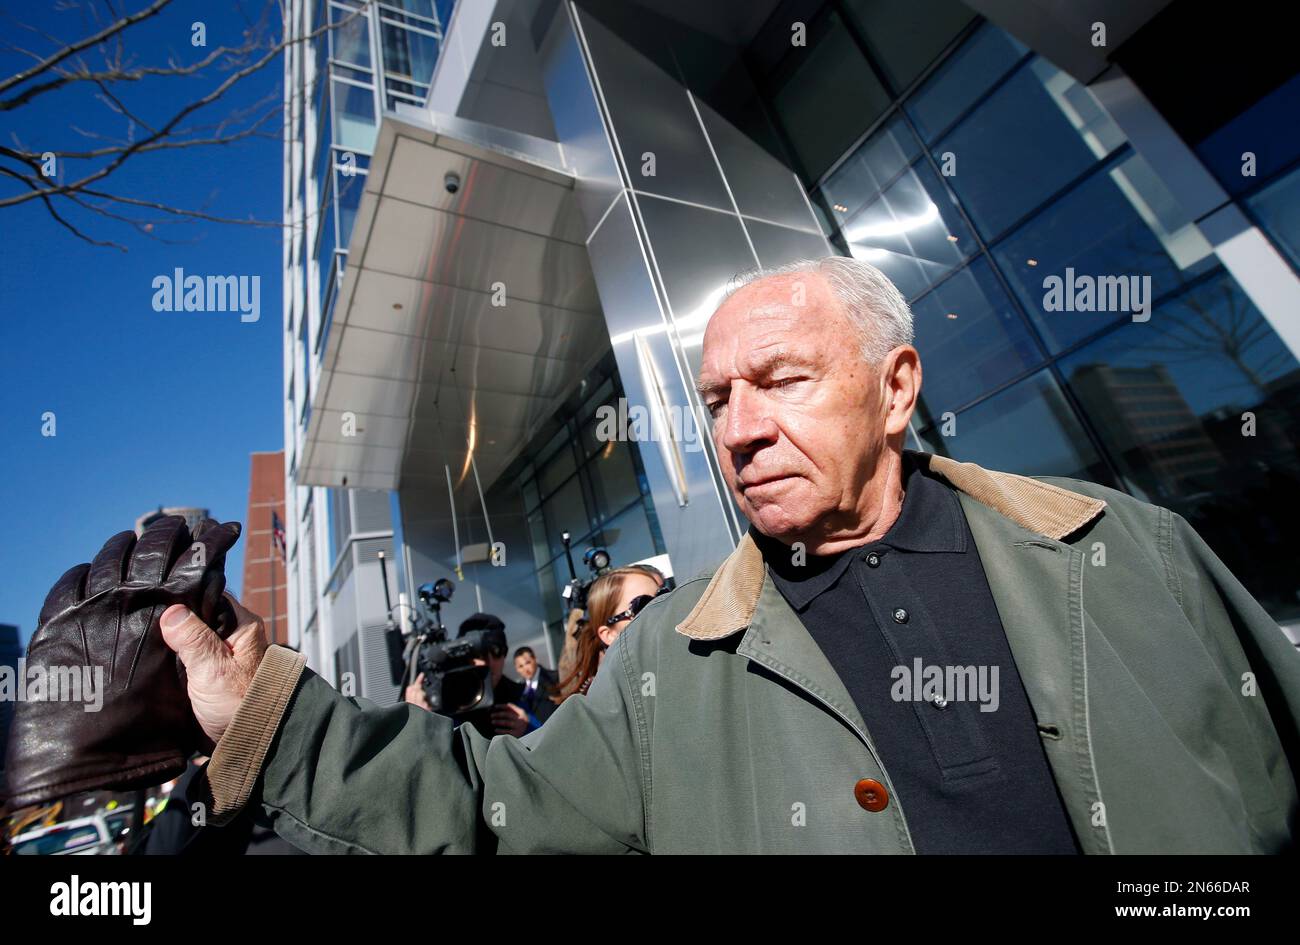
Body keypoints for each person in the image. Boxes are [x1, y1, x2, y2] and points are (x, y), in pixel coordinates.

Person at [154, 256, 1297, 853]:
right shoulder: (669, 662)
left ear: (895, 388)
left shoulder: (1125, 548)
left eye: (783, 380)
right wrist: (277, 717)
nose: (740, 427)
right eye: (716, 400)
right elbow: (489, 815)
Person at [403, 613, 531, 739]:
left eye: (496, 651)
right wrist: (416, 724)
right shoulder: (445, 700)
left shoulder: (519, 700)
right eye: (478, 652)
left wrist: (528, 732)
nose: (489, 662)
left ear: (505, 655)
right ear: (464, 657)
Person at [554, 567, 666, 703]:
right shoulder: (607, 700)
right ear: (608, 635)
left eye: (663, 596)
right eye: (642, 605)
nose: (662, 609)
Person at [513, 647, 559, 725]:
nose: (525, 669)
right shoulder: (518, 691)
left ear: (535, 659)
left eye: (527, 663)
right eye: (520, 666)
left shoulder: (555, 678)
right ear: (516, 669)